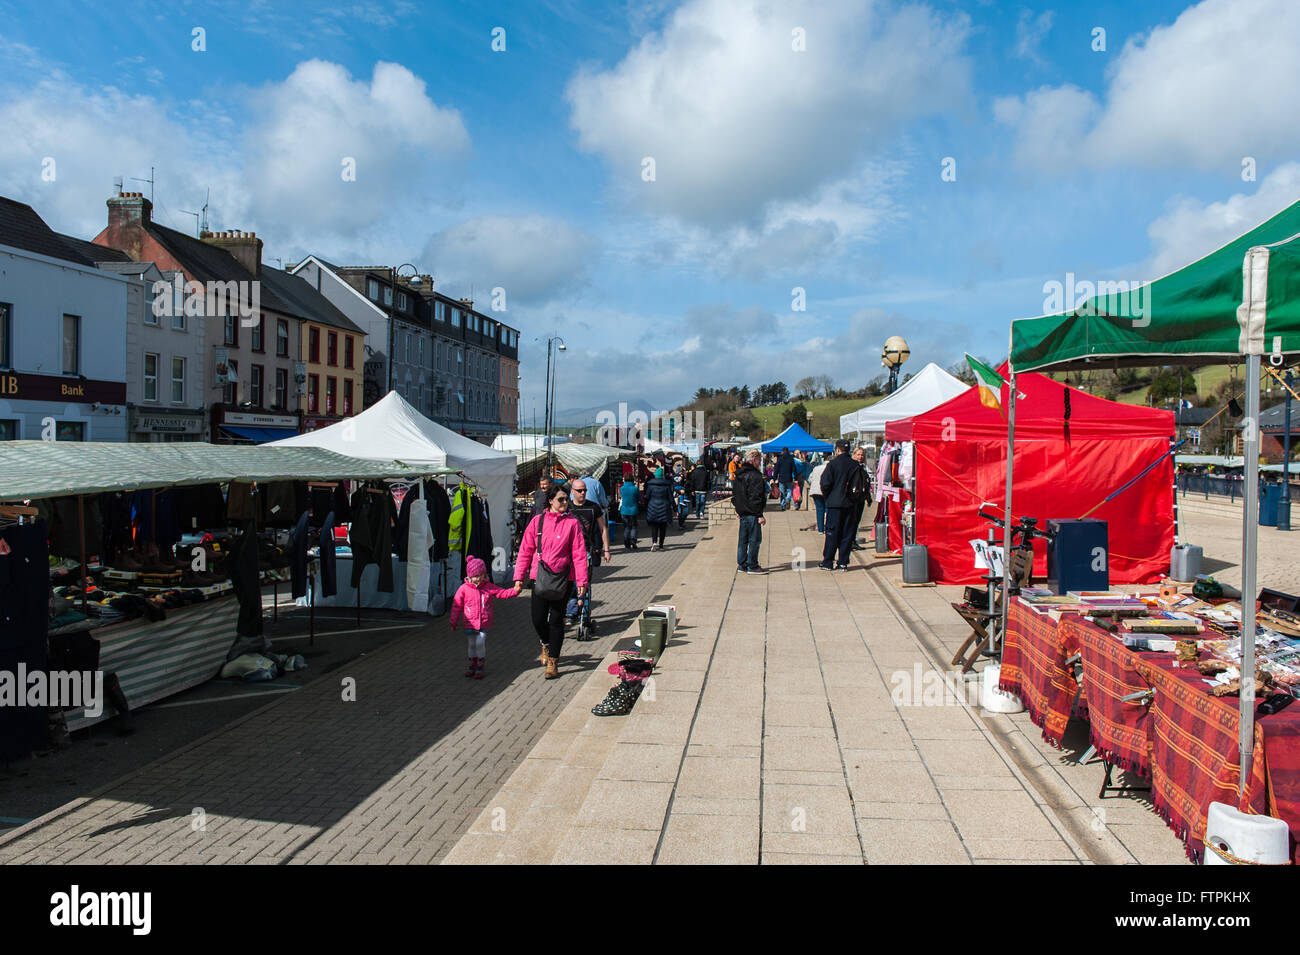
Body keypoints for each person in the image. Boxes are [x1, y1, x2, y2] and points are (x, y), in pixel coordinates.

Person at [514, 485, 589, 679]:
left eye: (566, 499)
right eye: (561, 499)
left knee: (556, 620)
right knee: (537, 619)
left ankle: (553, 661)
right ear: (550, 501)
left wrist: (582, 580)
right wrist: (518, 577)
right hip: (539, 576)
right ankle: (546, 645)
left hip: (563, 577)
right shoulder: (538, 521)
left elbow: (579, 553)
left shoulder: (572, 523)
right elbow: (525, 550)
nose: (565, 503)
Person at [448, 555, 517, 679]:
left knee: (480, 642)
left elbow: (501, 593)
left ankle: (480, 664)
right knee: (471, 644)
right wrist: (453, 622)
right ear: (469, 576)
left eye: (480, 575)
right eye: (475, 576)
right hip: (469, 622)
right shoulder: (463, 589)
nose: (478, 578)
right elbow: (456, 606)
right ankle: (472, 664)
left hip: (483, 621)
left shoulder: (488, 587)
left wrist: (515, 591)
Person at [566, 477, 611, 634]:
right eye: (579, 490)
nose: (583, 493)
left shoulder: (594, 507)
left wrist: (606, 549)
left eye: (584, 490)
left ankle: (584, 616)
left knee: (584, 586)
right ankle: (572, 612)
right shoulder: (567, 508)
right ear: (572, 492)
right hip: (567, 553)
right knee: (569, 585)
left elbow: (603, 528)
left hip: (586, 552)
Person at [819, 439, 859, 570]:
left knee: (832, 532)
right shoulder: (855, 465)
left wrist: (828, 496)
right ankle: (842, 562)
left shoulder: (832, 464)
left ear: (837, 449)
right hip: (851, 503)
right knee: (847, 533)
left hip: (835, 503)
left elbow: (825, 483)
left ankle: (828, 561)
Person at [732, 449, 768, 574]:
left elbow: (735, 494)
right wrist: (760, 514)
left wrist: (737, 508)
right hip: (753, 513)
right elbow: (756, 497)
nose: (760, 462)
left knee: (743, 540)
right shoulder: (755, 475)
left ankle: (742, 565)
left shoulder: (739, 474)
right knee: (754, 540)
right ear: (754, 459)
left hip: (742, 512)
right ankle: (752, 565)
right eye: (759, 459)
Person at [643, 466, 674, 551]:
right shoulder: (667, 485)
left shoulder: (650, 485)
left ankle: (654, 542)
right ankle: (661, 546)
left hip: (652, 508)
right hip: (664, 508)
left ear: (655, 476)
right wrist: (675, 508)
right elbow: (671, 498)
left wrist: (646, 507)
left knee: (654, 527)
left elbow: (647, 497)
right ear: (662, 476)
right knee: (663, 528)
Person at [849, 446, 873, 550]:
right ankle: (850, 542)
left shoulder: (862, 468)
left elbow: (866, 484)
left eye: (862, 455)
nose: (860, 457)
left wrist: (868, 497)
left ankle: (853, 541)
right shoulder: (851, 468)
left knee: (856, 521)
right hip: (852, 498)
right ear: (853, 455)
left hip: (860, 499)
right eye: (858, 454)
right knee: (852, 521)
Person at [618, 471, 641, 550]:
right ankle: (633, 540)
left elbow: (621, 497)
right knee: (634, 526)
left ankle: (627, 543)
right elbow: (639, 498)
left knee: (626, 527)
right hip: (633, 510)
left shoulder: (622, 488)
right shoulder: (635, 489)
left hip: (624, 510)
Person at [809, 455, 829, 534]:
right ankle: (828, 527)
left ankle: (820, 529)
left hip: (815, 490)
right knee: (828, 509)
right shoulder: (831, 468)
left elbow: (810, 478)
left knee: (819, 509)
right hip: (826, 491)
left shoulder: (816, 468)